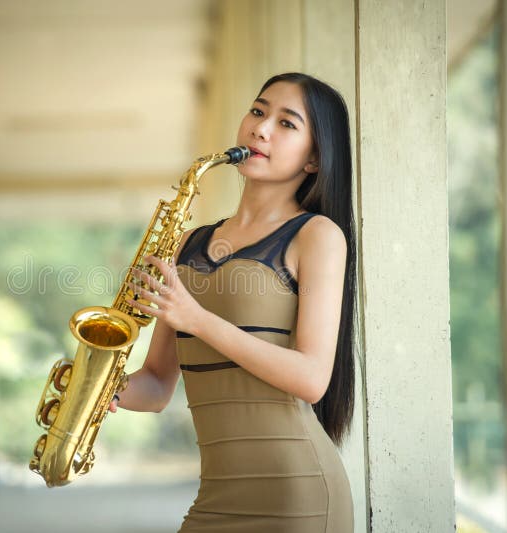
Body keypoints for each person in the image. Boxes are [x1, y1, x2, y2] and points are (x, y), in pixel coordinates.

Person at [112, 72, 356, 533]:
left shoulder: (317, 236)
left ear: (315, 159)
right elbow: (158, 385)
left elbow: (311, 379)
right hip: (215, 500)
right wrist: (99, 389)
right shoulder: (184, 243)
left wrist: (197, 319)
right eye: (259, 111)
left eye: (287, 124)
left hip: (298, 498)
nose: (260, 128)